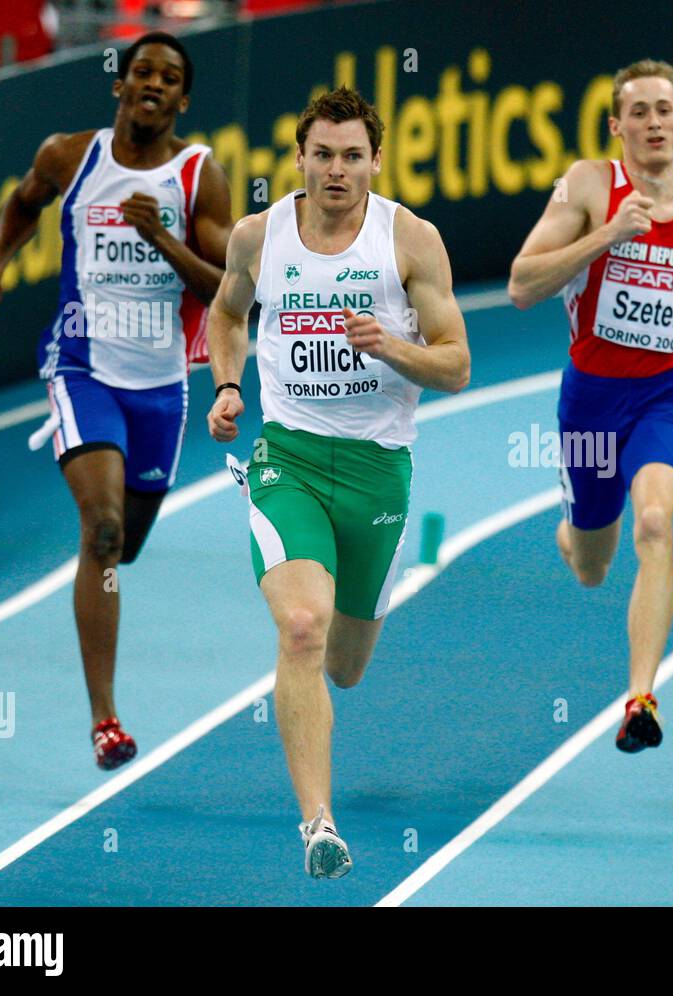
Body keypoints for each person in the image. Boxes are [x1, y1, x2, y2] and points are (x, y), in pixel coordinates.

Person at [205, 87, 470, 878]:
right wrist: (226, 386)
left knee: (346, 664)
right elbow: (226, 314)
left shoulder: (410, 241)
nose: (337, 170)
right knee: (300, 628)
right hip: (287, 459)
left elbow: (456, 363)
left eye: (353, 155)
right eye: (322, 154)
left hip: (377, 474)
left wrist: (395, 349)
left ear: (376, 162)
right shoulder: (260, 235)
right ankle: (318, 823)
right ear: (299, 158)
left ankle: (326, 684)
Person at [0, 32, 232, 770]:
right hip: (81, 364)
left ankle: (106, 555)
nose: (152, 82)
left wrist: (161, 240)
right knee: (104, 528)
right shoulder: (68, 156)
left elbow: (225, 289)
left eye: (168, 77)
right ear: (120, 85)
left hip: (161, 383)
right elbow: (21, 206)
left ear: (182, 100)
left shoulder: (198, 176)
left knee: (127, 545)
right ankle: (105, 719)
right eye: (141, 69)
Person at [508, 58, 673, 753]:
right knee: (592, 566)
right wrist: (607, 236)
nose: (651, 122)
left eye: (662, 109)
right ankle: (574, 528)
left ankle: (641, 698)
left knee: (653, 522)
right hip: (590, 403)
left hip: (667, 395)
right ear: (617, 127)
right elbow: (523, 285)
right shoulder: (591, 184)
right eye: (636, 112)